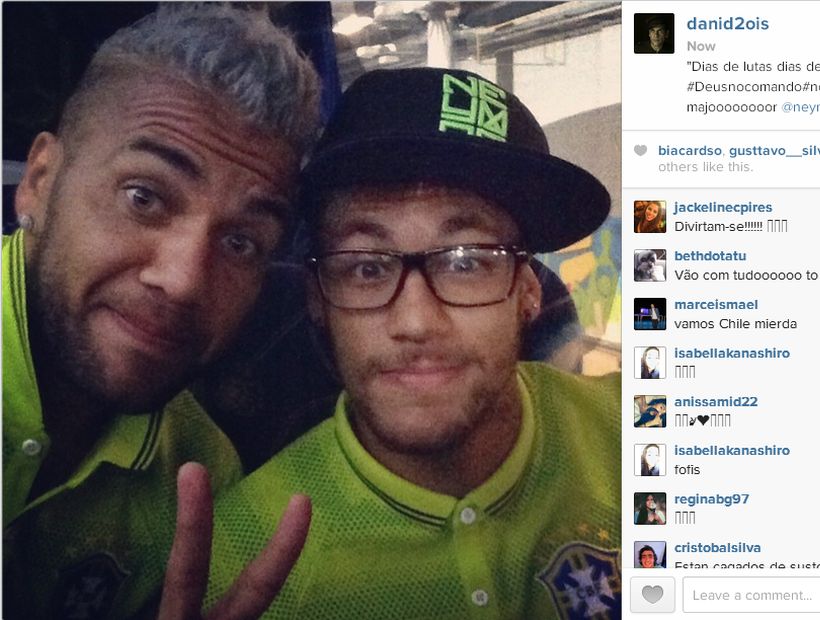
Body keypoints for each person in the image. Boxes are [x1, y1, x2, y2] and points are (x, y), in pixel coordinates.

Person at [204, 68, 621, 619]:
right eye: (366, 268)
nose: (417, 322)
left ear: (527, 290)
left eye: (467, 260)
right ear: (317, 299)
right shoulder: (239, 558)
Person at [2, 5, 321, 619]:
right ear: (40, 180)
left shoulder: (199, 481)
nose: (182, 280)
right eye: (143, 197)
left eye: (241, 242)